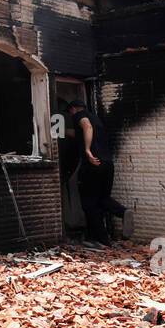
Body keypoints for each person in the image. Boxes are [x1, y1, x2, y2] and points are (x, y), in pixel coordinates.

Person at [67, 99, 126, 247]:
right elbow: (81, 132)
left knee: (88, 203)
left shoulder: (79, 115)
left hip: (92, 164)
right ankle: (123, 212)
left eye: (70, 112)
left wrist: (87, 150)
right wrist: (61, 131)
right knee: (101, 199)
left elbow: (86, 126)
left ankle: (100, 239)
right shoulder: (96, 119)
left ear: (73, 109)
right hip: (107, 165)